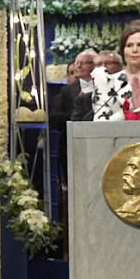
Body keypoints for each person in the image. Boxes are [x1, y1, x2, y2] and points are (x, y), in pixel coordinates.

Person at [49, 50, 96, 181]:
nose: (79, 66)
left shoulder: (105, 86)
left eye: (84, 63)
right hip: (72, 147)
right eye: (77, 63)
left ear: (95, 65)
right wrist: (77, 115)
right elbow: (54, 119)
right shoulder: (67, 90)